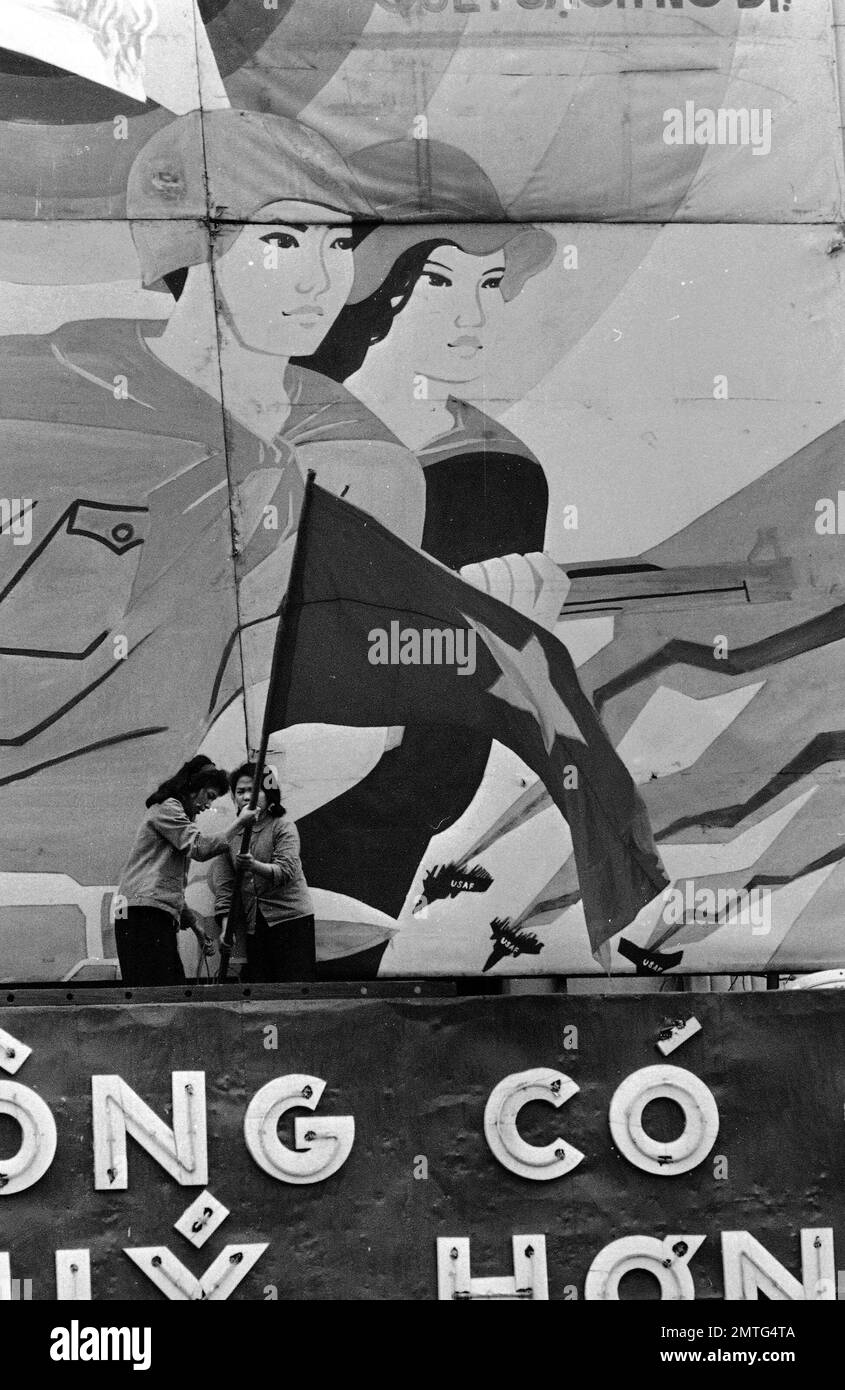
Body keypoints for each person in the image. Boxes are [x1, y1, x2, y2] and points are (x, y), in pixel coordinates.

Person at [0, 108, 425, 896]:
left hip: (153, 874)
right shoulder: (42, 388)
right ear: (194, 245)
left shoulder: (359, 461)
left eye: (337, 244)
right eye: (282, 241)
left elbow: (337, 724)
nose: (319, 278)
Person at [293, 139, 562, 925]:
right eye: (438, 281)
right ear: (373, 287)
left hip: (387, 816)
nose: (472, 315)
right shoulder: (277, 431)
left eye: (487, 282)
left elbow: (453, 707)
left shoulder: (498, 472)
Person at [115, 755, 257, 985]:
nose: (207, 806)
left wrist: (197, 928)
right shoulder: (168, 808)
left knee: (162, 987)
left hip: (141, 911)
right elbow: (200, 848)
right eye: (209, 796)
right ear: (194, 787)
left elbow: (170, 886)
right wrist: (240, 823)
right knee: (163, 988)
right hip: (144, 914)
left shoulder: (172, 814)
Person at [213, 763, 315, 983]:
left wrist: (253, 865)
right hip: (255, 926)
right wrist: (225, 929)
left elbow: (286, 871)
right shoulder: (230, 836)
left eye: (254, 790)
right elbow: (225, 889)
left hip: (291, 921)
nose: (246, 797)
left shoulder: (283, 826)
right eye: (240, 792)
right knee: (261, 989)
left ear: (269, 794)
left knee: (295, 989)